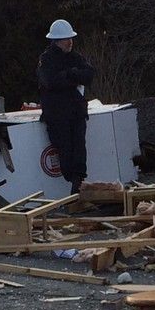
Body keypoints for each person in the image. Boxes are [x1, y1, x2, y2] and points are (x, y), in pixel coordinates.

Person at [37, 19, 96, 194]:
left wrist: (71, 76)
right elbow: (50, 81)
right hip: (57, 114)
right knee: (64, 148)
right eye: (65, 39)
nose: (70, 42)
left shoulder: (75, 57)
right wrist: (72, 76)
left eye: (70, 38)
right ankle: (74, 182)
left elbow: (89, 74)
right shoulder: (46, 59)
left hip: (76, 111)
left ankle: (78, 184)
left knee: (79, 146)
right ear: (56, 41)